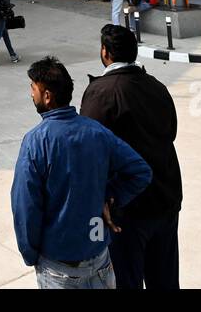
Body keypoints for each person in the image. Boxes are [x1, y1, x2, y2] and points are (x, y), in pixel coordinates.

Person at [11, 56, 152, 289]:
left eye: (33, 88)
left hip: (59, 269)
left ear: (47, 96)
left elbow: (25, 205)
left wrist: (30, 252)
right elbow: (140, 172)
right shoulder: (96, 132)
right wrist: (110, 197)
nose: (31, 94)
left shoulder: (36, 141)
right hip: (100, 261)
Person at [80, 26, 183, 289]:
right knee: (166, 280)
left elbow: (89, 154)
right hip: (166, 197)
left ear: (105, 53)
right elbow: (170, 131)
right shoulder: (157, 87)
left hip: (127, 210)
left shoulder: (101, 93)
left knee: (127, 281)